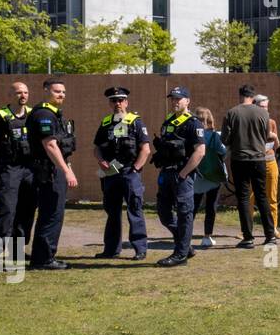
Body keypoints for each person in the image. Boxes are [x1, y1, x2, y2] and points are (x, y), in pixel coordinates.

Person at [92, 86, 151, 260]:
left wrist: (135, 169)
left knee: (135, 210)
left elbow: (145, 149)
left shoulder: (136, 121)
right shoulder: (106, 123)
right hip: (111, 174)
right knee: (112, 212)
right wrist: (101, 161)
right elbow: (97, 147)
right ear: (110, 103)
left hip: (129, 173)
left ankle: (140, 249)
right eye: (113, 100)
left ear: (126, 102)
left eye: (120, 100)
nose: (117, 103)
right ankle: (111, 250)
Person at [26, 79, 79, 270]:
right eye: (57, 91)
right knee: (51, 213)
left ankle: (45, 256)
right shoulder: (43, 114)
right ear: (46, 91)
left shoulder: (55, 114)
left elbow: (63, 149)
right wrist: (66, 171)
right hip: (48, 171)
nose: (61, 95)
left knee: (54, 213)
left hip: (54, 169)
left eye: (63, 92)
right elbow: (50, 145)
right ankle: (42, 259)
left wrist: (68, 168)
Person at [152, 86, 206, 267]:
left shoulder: (193, 123)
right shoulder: (168, 121)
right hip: (166, 172)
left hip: (182, 175)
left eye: (179, 99)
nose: (175, 102)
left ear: (187, 101)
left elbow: (200, 152)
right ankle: (185, 245)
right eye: (173, 99)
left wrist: (183, 174)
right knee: (164, 213)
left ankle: (180, 254)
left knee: (184, 213)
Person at [0, 81, 36, 256]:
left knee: (27, 210)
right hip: (9, 169)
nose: (23, 96)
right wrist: (1, 161)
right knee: (7, 210)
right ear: (10, 95)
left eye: (26, 92)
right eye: (19, 92)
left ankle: (17, 250)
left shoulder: (33, 114)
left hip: (30, 169)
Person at [222, 83, 276, 248]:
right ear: (253, 97)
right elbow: (267, 136)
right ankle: (270, 235)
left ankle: (248, 237)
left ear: (240, 95)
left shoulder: (231, 113)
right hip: (259, 159)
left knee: (244, 198)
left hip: (239, 159)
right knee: (262, 197)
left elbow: (224, 139)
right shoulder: (263, 113)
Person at [193, 107, 228, 248]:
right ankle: (207, 236)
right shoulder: (214, 136)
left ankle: (184, 232)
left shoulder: (192, 136)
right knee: (211, 205)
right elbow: (223, 152)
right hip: (213, 175)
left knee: (193, 206)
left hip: (197, 174)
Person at [252, 93, 280, 240]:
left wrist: (275, 137)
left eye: (266, 107)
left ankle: (274, 228)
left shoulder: (271, 122)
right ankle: (246, 229)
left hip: (270, 161)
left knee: (272, 196)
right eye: (261, 107)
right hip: (253, 162)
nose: (265, 110)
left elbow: (277, 146)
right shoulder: (250, 122)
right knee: (251, 197)